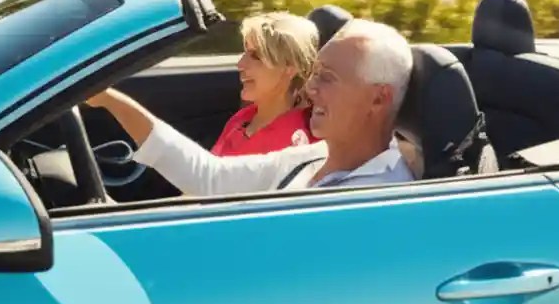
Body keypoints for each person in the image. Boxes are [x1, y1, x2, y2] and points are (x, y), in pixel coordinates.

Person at [85, 18, 416, 195]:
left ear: (378, 98)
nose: (311, 88)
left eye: (327, 78)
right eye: (314, 73)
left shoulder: (380, 197)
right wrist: (109, 100)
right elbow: (210, 177)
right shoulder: (312, 156)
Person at [210, 11, 320, 156]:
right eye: (245, 52)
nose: (240, 64)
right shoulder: (244, 117)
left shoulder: (294, 145)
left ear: (290, 68)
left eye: (256, 56)